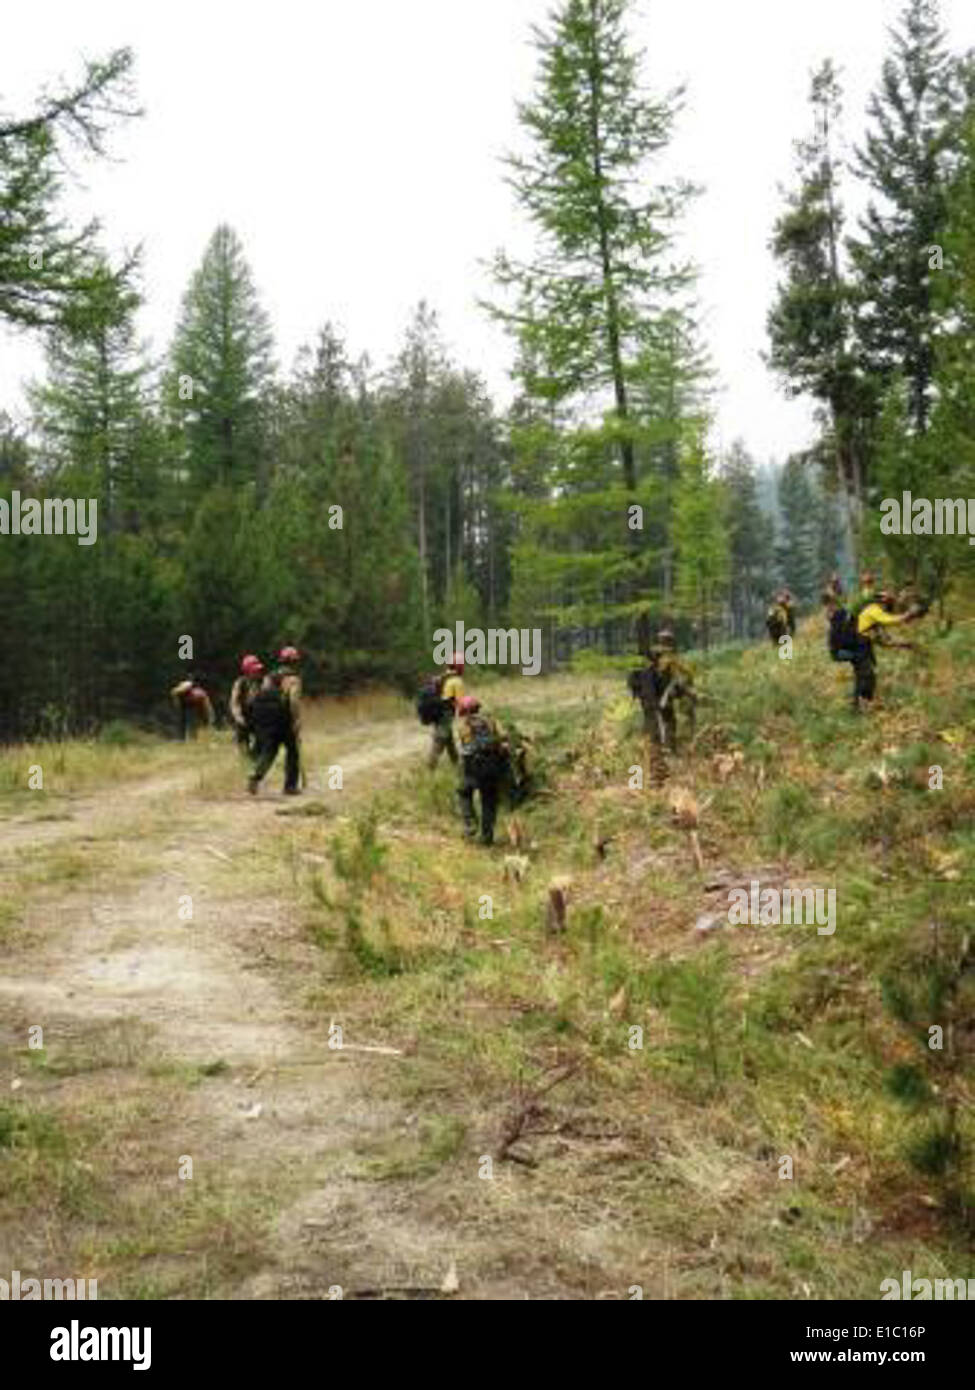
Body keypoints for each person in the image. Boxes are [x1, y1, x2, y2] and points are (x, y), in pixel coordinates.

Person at [627, 629, 696, 754]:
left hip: (658, 694)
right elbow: (670, 678)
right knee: (656, 722)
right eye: (666, 639)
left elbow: (674, 679)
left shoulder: (667, 657)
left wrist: (681, 691)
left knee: (665, 720)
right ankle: (656, 750)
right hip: (651, 693)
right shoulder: (662, 656)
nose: (667, 643)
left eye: (668, 639)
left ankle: (664, 748)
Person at [455, 694, 508, 846]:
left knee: (463, 793)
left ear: (463, 711)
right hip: (491, 767)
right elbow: (503, 738)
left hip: (472, 768)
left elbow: (465, 748)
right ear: (478, 707)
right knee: (489, 801)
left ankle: (470, 825)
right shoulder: (492, 721)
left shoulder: (463, 726)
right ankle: (487, 838)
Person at [248, 666, 301, 795]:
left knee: (270, 749)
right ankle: (290, 786)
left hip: (263, 715)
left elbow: (252, 699)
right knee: (292, 751)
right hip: (281, 716)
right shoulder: (293, 678)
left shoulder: (270, 675)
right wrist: (296, 721)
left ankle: (256, 775)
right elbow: (293, 701)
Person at [429, 654, 465, 769]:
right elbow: (460, 702)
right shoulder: (456, 681)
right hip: (446, 714)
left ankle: (457, 765)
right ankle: (430, 768)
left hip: (438, 713)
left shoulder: (443, 677)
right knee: (439, 742)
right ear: (459, 666)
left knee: (449, 741)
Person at [229, 654, 264, 754]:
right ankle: (241, 749)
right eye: (254, 670)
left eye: (258, 670)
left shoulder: (263, 683)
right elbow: (234, 702)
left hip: (258, 715)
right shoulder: (240, 683)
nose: (257, 672)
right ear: (247, 671)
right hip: (243, 715)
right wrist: (238, 717)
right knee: (241, 734)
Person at [170, 675, 213, 741]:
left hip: (191, 704)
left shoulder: (199, 693)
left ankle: (185, 738)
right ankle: (187, 738)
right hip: (188, 704)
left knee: (188, 723)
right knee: (189, 723)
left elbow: (174, 695)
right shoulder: (199, 692)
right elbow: (206, 706)